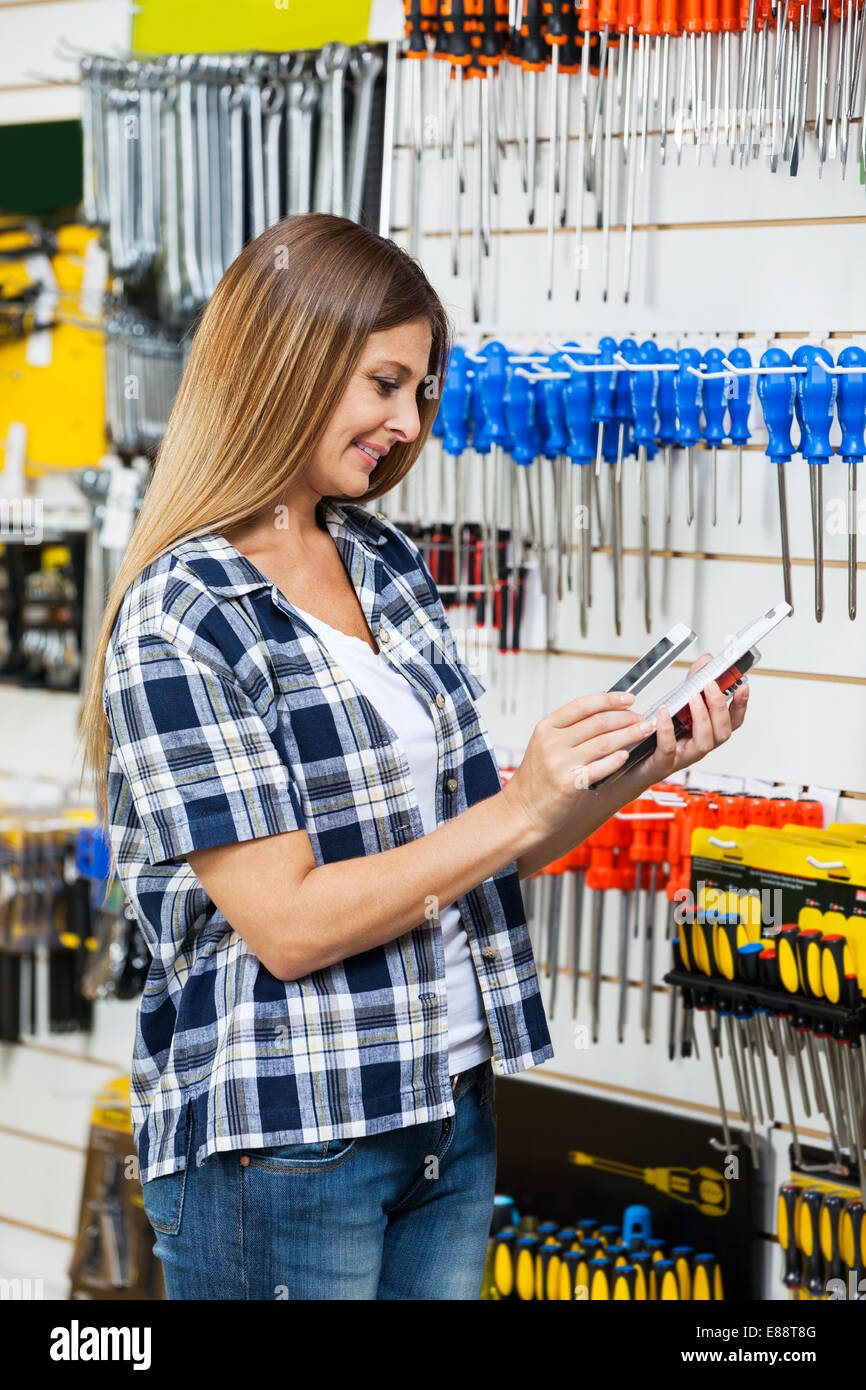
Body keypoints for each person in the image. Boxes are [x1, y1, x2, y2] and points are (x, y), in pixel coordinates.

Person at [80, 213, 748, 1301]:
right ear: (287, 360)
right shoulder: (182, 614)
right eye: (383, 382)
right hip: (287, 1144)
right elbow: (289, 924)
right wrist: (516, 802)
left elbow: (478, 847)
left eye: (420, 392)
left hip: (442, 1098)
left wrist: (639, 765)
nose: (406, 421)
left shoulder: (378, 557)